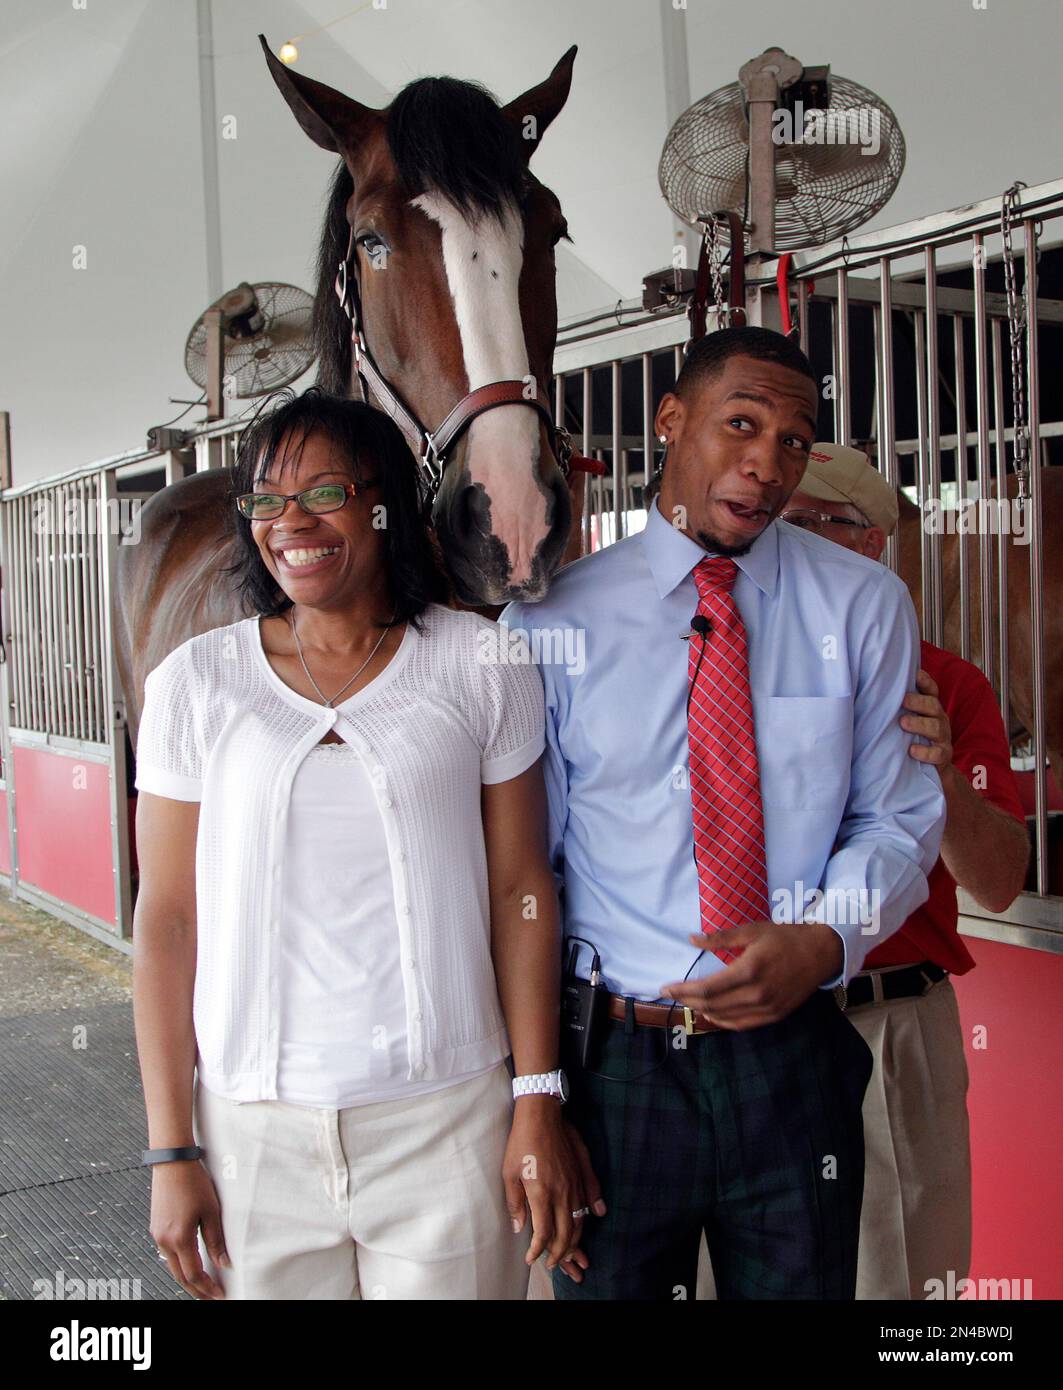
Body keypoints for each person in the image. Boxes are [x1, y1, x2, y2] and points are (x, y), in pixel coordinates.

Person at [502, 325, 946, 1301]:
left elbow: (896, 817)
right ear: (671, 421)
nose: (767, 462)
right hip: (617, 1064)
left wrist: (822, 941)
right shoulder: (551, 622)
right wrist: (534, 1093)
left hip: (793, 1053)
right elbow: (524, 873)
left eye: (794, 439)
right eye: (740, 424)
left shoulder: (862, 607)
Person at [131, 386, 597, 1301]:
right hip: (253, 1134)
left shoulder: (479, 661)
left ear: (384, 502)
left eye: (325, 492)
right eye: (266, 499)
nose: (290, 521)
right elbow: (168, 918)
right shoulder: (197, 682)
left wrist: (535, 1095)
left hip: (445, 1117)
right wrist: (170, 1147)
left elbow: (520, 892)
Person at [782, 442, 1029, 1299]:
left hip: (892, 1024)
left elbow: (999, 881)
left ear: (872, 542)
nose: (792, 544)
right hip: (749, 1021)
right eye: (778, 523)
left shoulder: (949, 683)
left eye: (816, 524)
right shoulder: (710, 658)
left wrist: (939, 768)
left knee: (907, 1288)